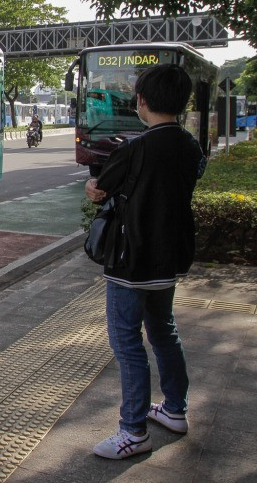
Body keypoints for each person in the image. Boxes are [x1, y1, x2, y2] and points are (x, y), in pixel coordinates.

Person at [84, 64, 205, 460]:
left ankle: (133, 432)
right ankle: (174, 409)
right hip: (169, 259)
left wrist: (92, 188)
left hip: (131, 260)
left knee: (127, 342)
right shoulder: (191, 147)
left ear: (142, 100)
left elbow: (101, 191)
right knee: (163, 331)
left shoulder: (134, 148)